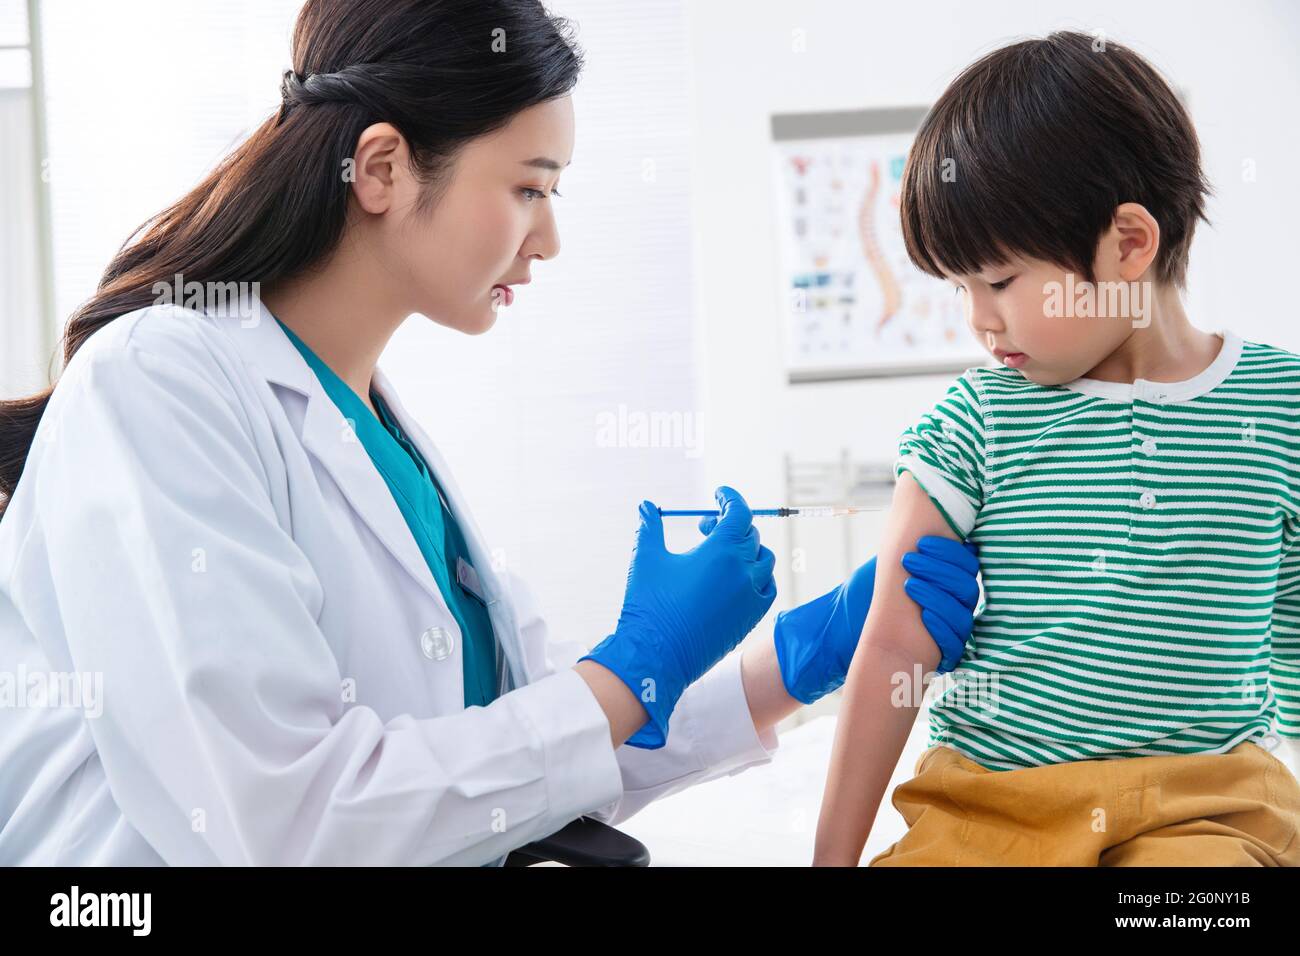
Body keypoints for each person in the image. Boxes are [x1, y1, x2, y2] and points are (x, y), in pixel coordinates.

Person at [0, 0, 979, 866]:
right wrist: (634, 662)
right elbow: (289, 824)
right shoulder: (162, 382)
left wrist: (799, 658)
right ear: (381, 167)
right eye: (529, 187)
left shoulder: (384, 438)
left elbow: (519, 761)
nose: (549, 237)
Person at [814, 31, 1300, 867]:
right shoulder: (975, 422)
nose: (978, 320)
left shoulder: (1282, 407)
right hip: (989, 810)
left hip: (1201, 811)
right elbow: (892, 648)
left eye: (998, 281)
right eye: (962, 288)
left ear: (1129, 245)